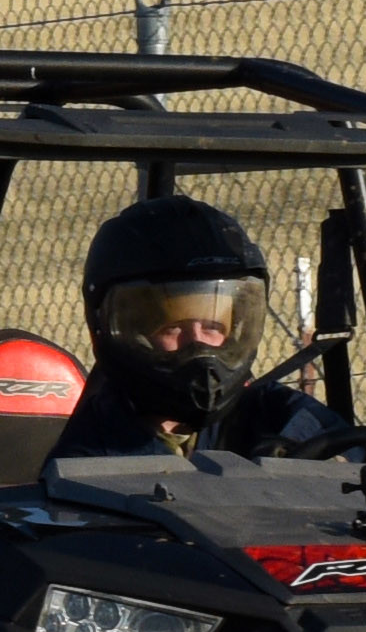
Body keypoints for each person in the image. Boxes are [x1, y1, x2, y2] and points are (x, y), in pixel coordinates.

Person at [52, 190, 276, 457]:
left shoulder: (272, 415)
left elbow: (332, 445)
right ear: (132, 336)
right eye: (173, 328)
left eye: (212, 326)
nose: (198, 344)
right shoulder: (92, 451)